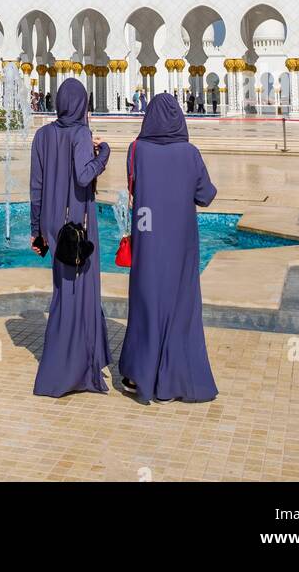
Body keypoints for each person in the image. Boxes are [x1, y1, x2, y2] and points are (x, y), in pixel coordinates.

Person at [119, 92, 218, 403]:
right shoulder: (190, 153)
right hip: (180, 241)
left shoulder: (136, 150)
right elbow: (206, 195)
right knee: (180, 303)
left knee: (147, 302)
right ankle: (179, 376)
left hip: (147, 238)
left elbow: (133, 192)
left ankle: (141, 373)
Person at [29, 79, 112, 397]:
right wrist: (103, 152)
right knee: (78, 295)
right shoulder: (80, 133)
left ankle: (92, 353)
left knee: (65, 290)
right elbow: (84, 174)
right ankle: (65, 368)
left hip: (53, 227)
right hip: (77, 227)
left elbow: (36, 187)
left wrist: (36, 231)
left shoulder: (42, 135)